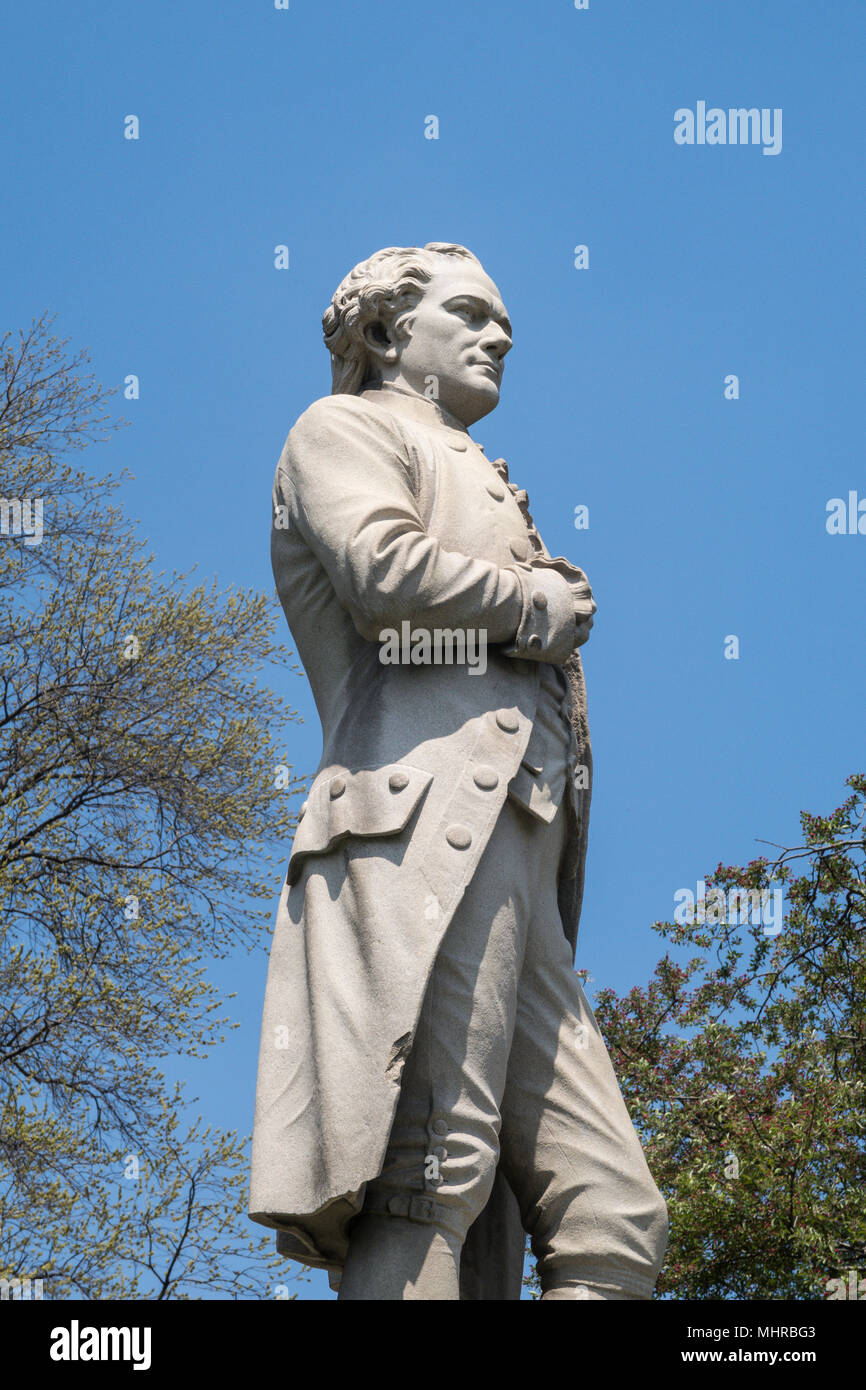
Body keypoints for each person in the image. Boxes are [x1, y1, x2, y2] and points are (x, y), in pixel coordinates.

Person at [249, 242, 668, 1299]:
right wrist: (535, 604)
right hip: (420, 840)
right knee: (429, 1173)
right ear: (391, 330)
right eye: (472, 315)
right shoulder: (341, 428)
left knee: (615, 1217)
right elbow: (383, 577)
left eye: (506, 327)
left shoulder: (476, 467)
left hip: (521, 873)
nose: (497, 338)